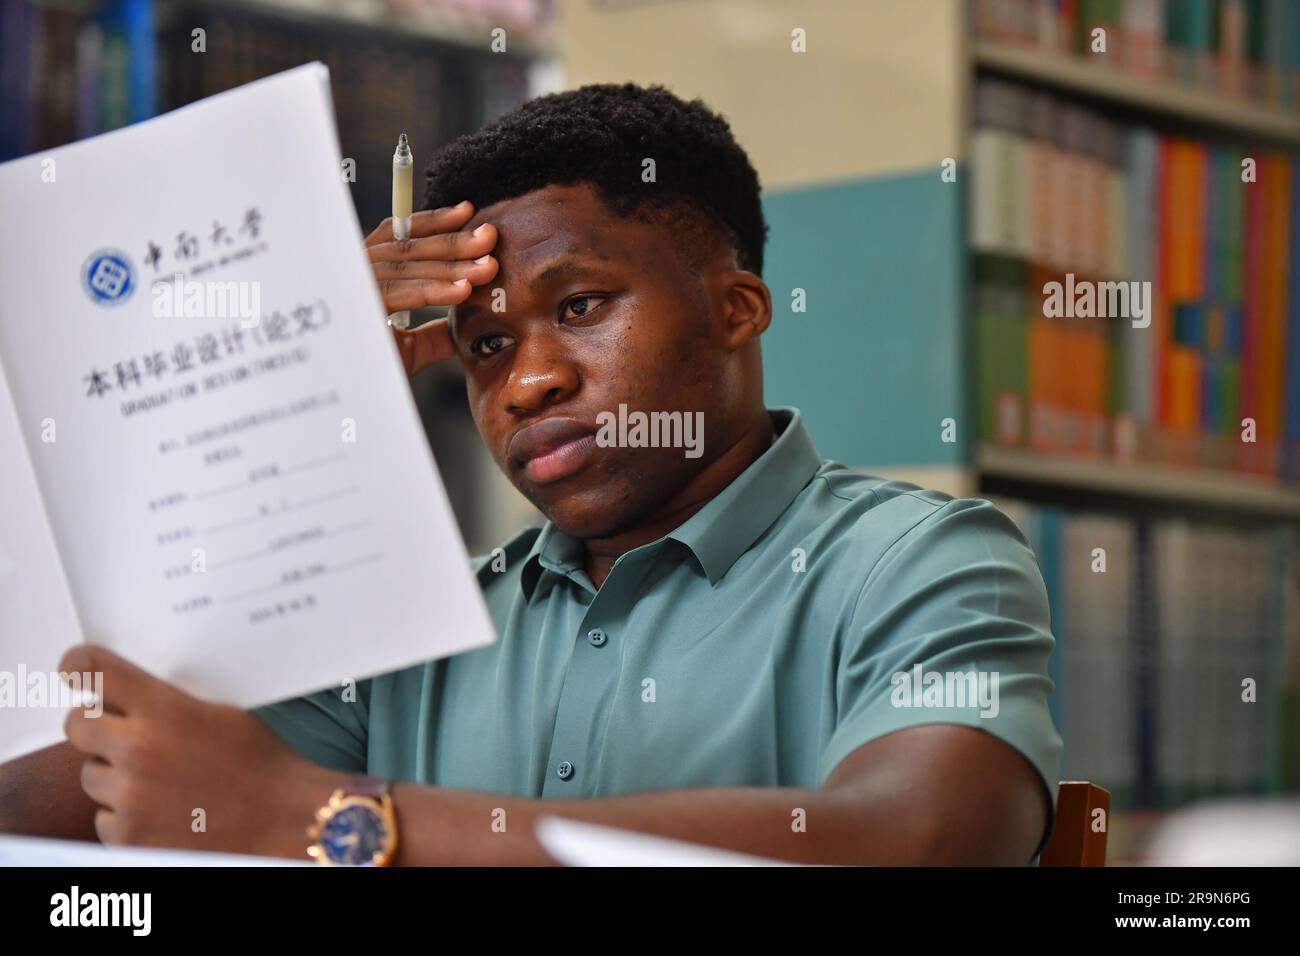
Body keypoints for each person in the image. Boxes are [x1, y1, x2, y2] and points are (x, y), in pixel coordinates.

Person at [0, 83, 1061, 865]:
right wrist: (282, 376)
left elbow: (920, 838)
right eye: (486, 346)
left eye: (582, 306)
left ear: (734, 310)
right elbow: (52, 805)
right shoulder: (413, 620)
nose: (529, 382)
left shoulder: (920, 559)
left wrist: (331, 820)